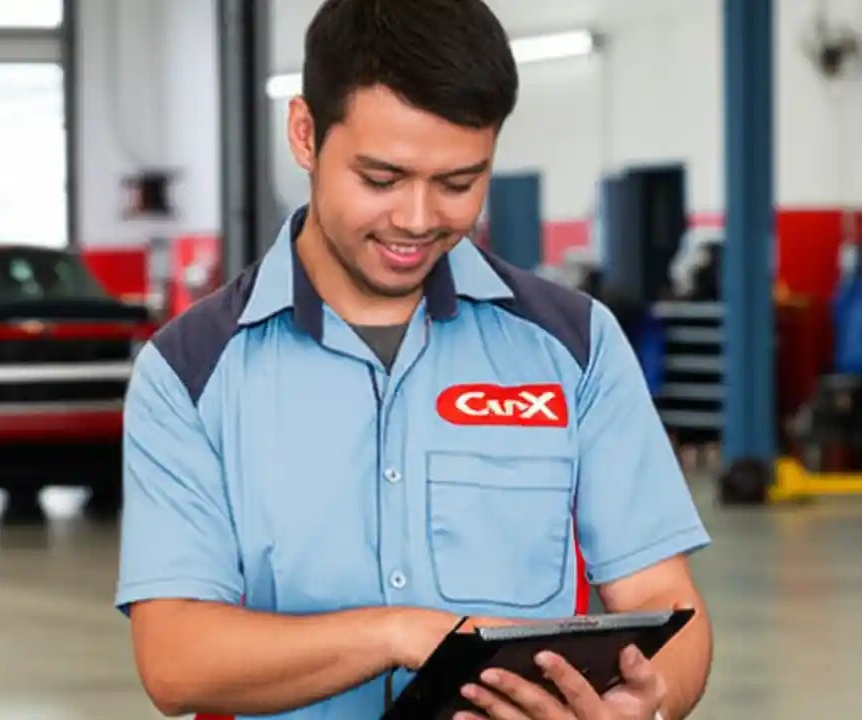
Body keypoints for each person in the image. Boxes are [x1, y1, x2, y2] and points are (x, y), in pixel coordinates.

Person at [115, 2, 713, 719]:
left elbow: (661, 598)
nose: (419, 218)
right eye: (381, 178)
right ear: (305, 134)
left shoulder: (574, 346)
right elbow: (176, 660)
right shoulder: (191, 373)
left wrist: (647, 702)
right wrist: (396, 635)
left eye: (459, 183)